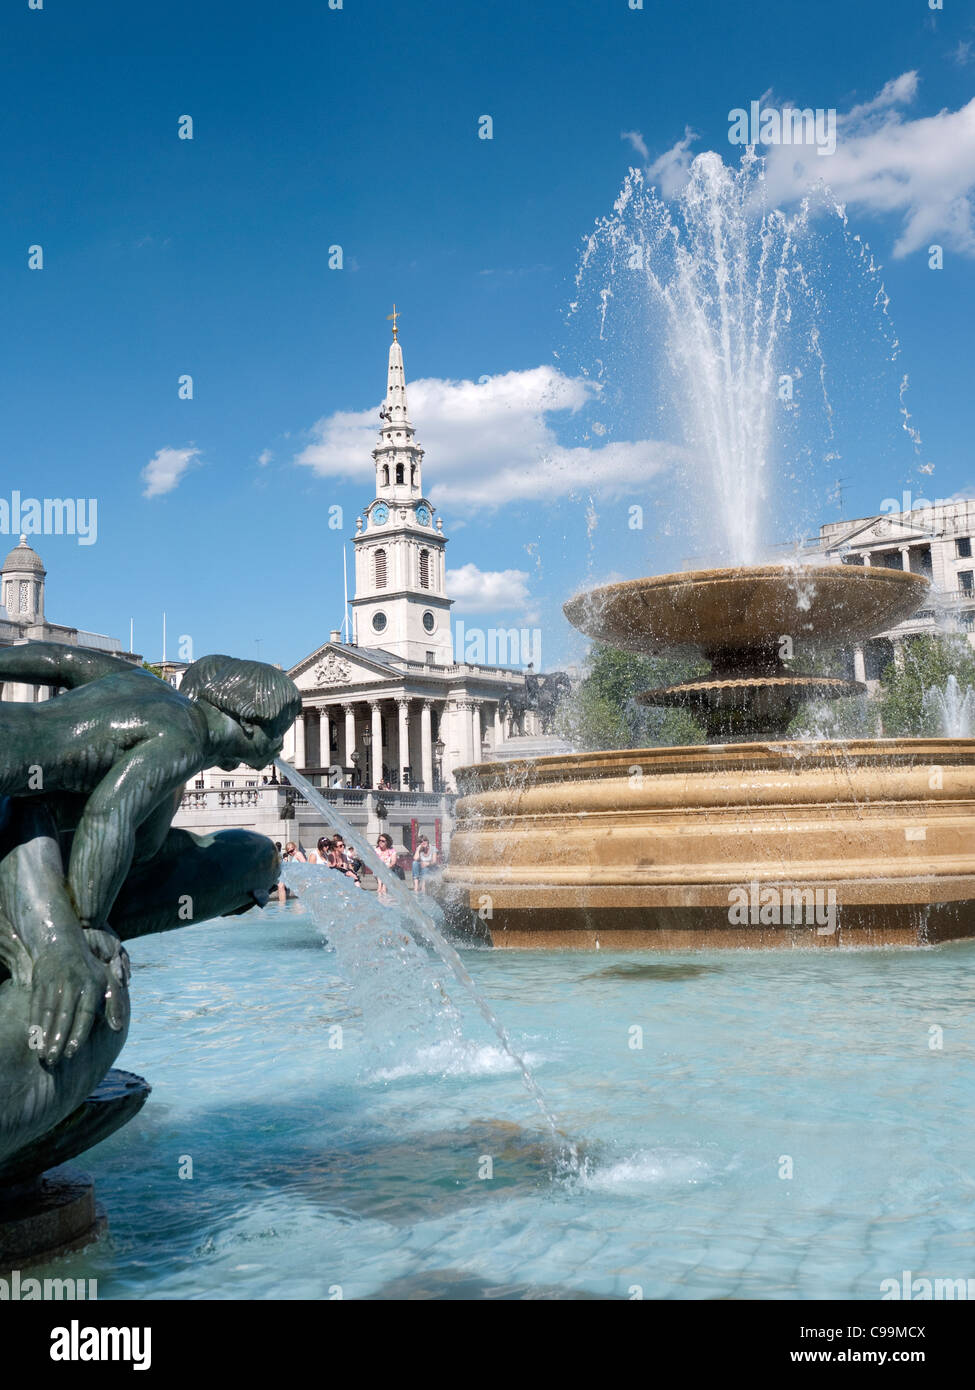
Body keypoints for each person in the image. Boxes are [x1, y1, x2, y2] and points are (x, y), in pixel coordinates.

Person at [375, 832, 397, 901]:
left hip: (388, 870)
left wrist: (387, 866)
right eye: (379, 840)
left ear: (387, 842)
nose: (380, 842)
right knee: (380, 866)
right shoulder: (376, 850)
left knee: (386, 864)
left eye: (383, 841)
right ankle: (380, 886)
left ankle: (383, 887)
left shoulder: (391, 850)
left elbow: (393, 862)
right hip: (378, 870)